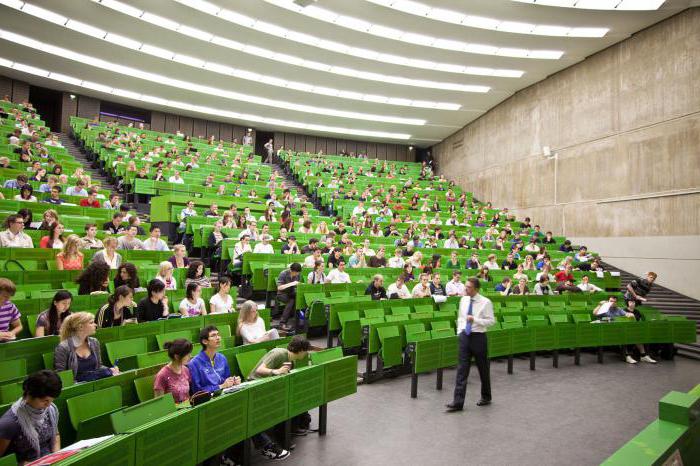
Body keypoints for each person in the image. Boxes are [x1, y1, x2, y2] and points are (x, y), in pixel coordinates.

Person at [189, 326, 290, 460]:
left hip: (226, 397)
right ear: (205, 341)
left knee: (247, 409)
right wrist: (220, 386)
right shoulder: (194, 363)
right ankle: (266, 447)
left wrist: (234, 381)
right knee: (243, 413)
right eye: (213, 335)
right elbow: (197, 391)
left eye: (218, 335)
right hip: (209, 403)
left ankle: (240, 454)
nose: (218, 337)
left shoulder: (221, 358)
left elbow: (226, 379)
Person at [446, 278, 495, 412]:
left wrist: (475, 320)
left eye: (468, 287)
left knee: (483, 368)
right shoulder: (463, 299)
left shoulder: (485, 302)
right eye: (465, 286)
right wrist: (460, 332)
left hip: (478, 337)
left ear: (476, 289)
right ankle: (458, 402)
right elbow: (461, 318)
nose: (465, 289)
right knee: (462, 369)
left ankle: (486, 396)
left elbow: (491, 321)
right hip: (465, 336)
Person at [0, 370, 62, 464]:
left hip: (48, 460)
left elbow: (56, 435)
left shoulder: (49, 410)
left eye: (51, 401)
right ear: (30, 395)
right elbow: (3, 460)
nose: (49, 405)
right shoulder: (10, 422)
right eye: (45, 401)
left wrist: (56, 457)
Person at [54, 312, 119, 382]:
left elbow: (98, 366)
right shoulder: (63, 347)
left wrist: (110, 370)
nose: (95, 325)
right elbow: (61, 374)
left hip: (95, 382)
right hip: (76, 386)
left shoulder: (94, 342)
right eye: (91, 323)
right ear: (81, 327)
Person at [153, 338, 193, 404]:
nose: (190, 356)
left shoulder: (186, 370)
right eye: (187, 354)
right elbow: (158, 403)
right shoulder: (162, 375)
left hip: (186, 408)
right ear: (176, 357)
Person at [276, 263, 301, 330]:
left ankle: (296, 322)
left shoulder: (298, 274)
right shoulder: (283, 274)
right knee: (291, 301)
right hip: (282, 294)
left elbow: (297, 285)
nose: (296, 274)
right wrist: (292, 283)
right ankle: (282, 323)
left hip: (292, 293)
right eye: (295, 273)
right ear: (291, 270)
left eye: (298, 273)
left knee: (299, 299)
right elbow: (279, 288)